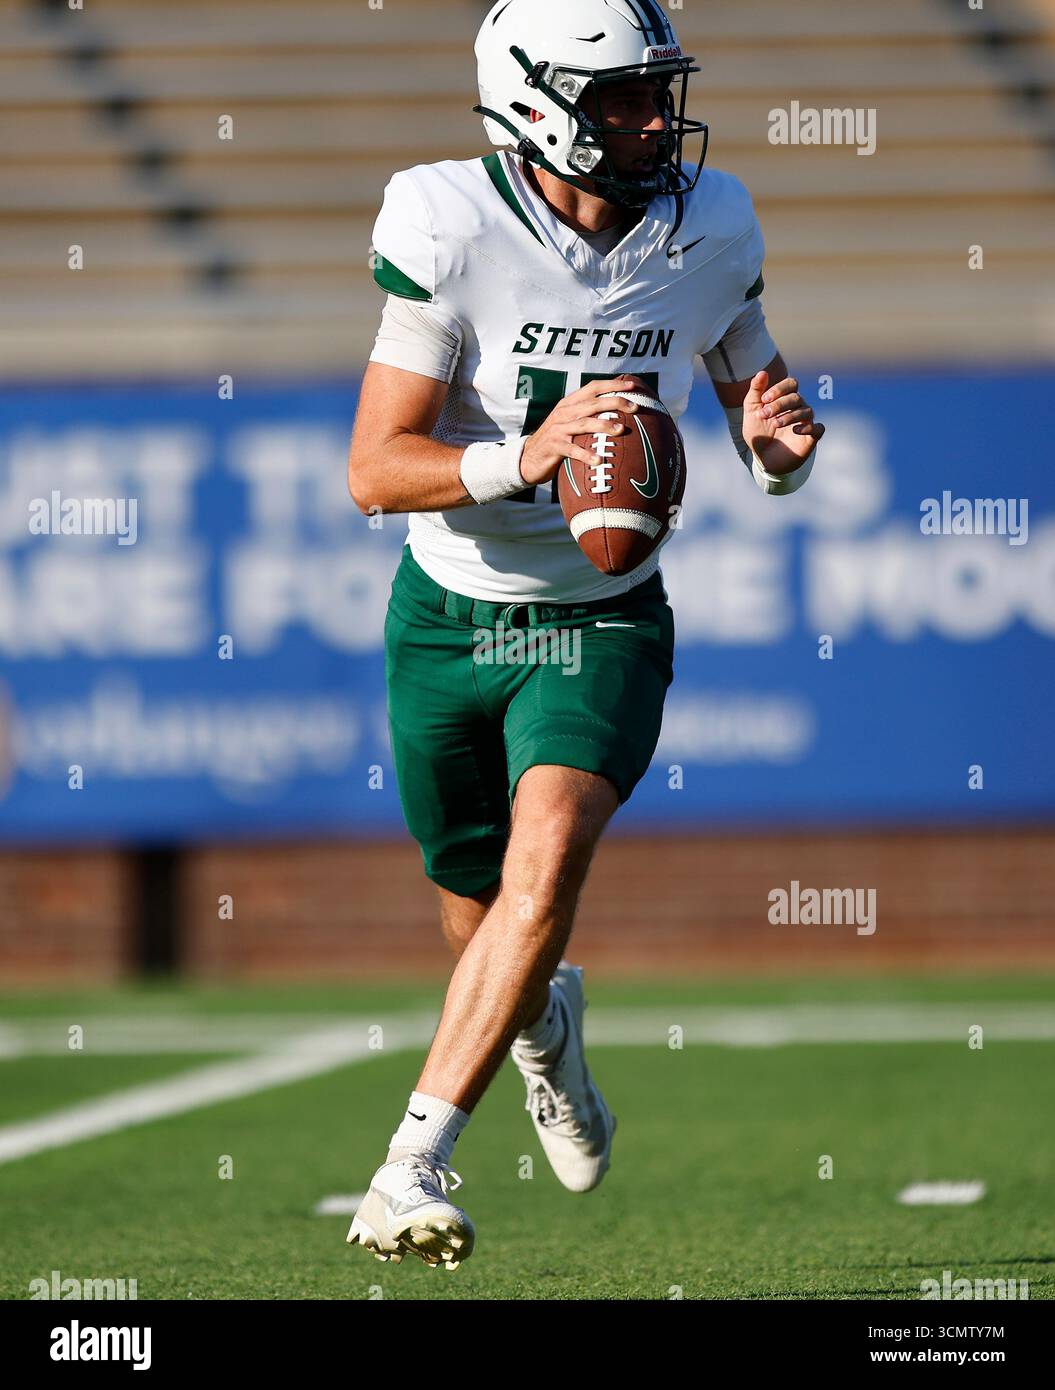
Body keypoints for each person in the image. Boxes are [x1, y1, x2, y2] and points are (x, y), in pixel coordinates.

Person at [346, 0, 824, 1270]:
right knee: (478, 903)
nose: (651, 119)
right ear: (530, 101)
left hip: (601, 616)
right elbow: (375, 470)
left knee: (545, 860)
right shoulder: (448, 221)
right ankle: (542, 1030)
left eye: (654, 92)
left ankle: (410, 1162)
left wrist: (774, 457)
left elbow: (753, 399)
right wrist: (524, 456)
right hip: (446, 610)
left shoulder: (709, 221)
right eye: (616, 98)